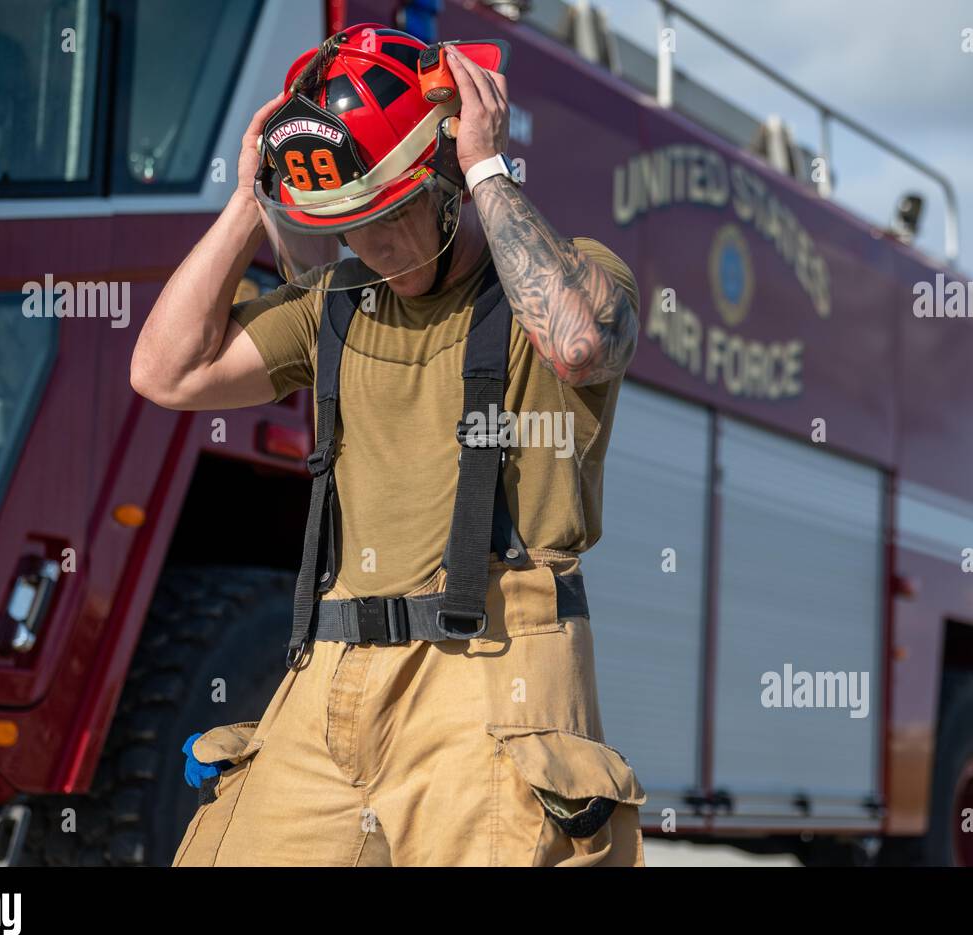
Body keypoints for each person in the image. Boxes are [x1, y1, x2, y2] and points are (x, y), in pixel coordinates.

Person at [130, 24, 645, 866]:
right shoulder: (337, 302)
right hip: (331, 666)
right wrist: (247, 201)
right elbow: (165, 372)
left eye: (392, 212)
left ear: (444, 172)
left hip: (494, 669)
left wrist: (488, 166)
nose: (371, 244)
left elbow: (581, 344)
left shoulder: (578, 273)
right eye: (348, 225)